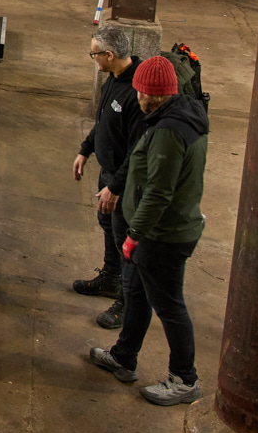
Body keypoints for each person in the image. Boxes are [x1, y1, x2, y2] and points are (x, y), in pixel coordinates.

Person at [88, 55, 210, 406]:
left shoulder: (169, 132)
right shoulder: (175, 115)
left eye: (138, 91)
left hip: (163, 235)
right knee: (137, 293)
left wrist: (134, 234)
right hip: (159, 232)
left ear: (147, 93)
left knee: (170, 305)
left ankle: (185, 379)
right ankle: (124, 356)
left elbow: (159, 191)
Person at [72, 24, 145, 329]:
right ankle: (110, 280)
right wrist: (85, 150)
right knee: (107, 225)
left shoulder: (137, 93)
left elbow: (137, 150)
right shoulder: (113, 80)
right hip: (108, 172)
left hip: (123, 182)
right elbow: (103, 122)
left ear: (110, 54)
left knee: (124, 239)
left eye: (94, 53)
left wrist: (115, 188)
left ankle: (126, 304)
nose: (93, 58)